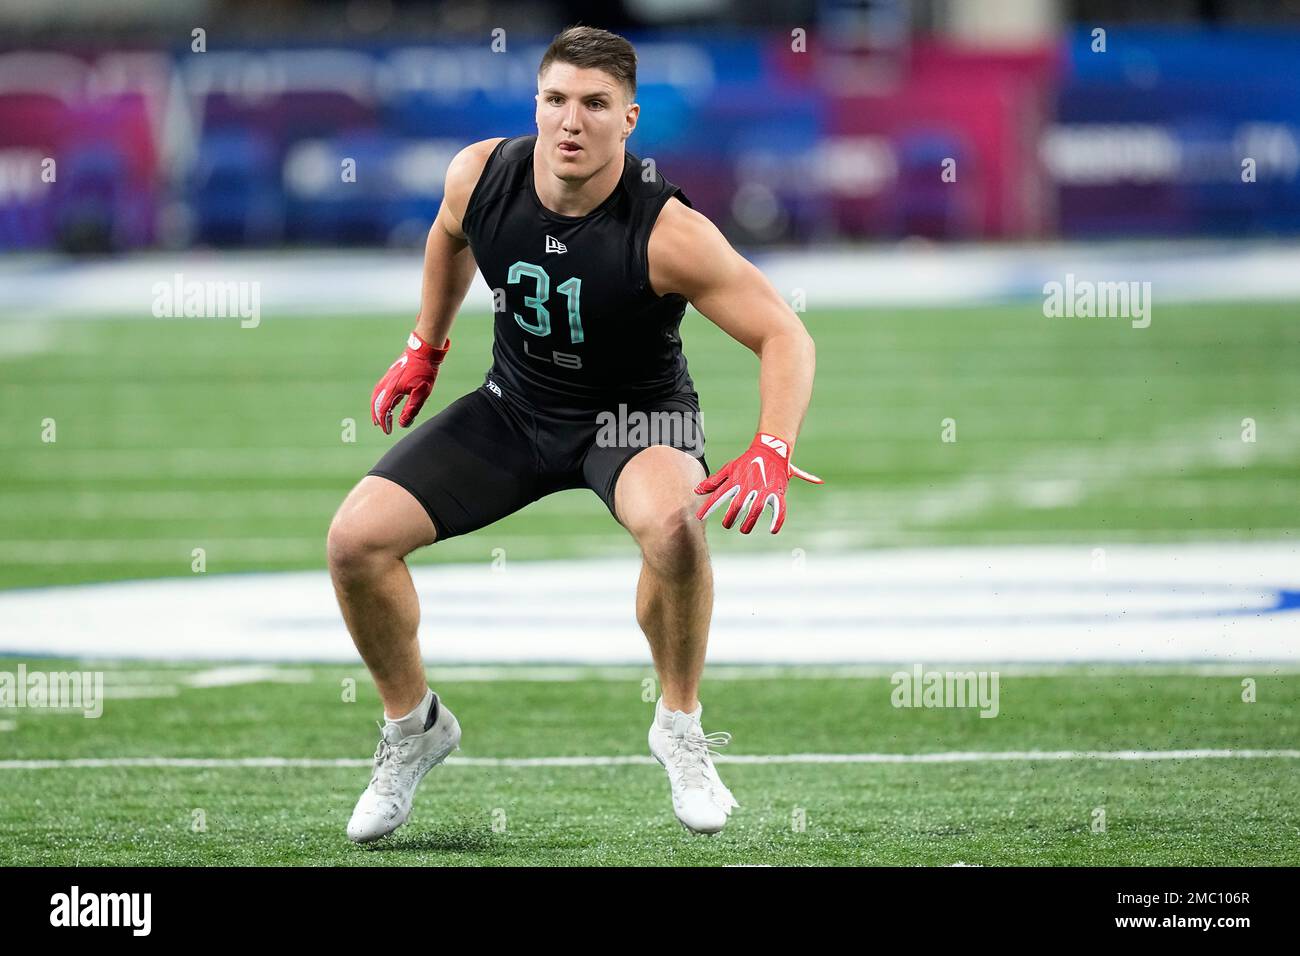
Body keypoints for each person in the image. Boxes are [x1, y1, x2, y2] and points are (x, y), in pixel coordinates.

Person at [327, 25, 819, 842]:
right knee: (354, 542)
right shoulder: (482, 174)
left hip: (632, 416)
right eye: (556, 99)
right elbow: (449, 235)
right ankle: (413, 728)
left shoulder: (667, 231)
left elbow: (784, 334)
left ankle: (680, 724)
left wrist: (773, 443)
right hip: (515, 405)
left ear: (629, 120)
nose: (571, 121)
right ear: (537, 104)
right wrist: (426, 343)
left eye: (595, 104)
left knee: (677, 530)